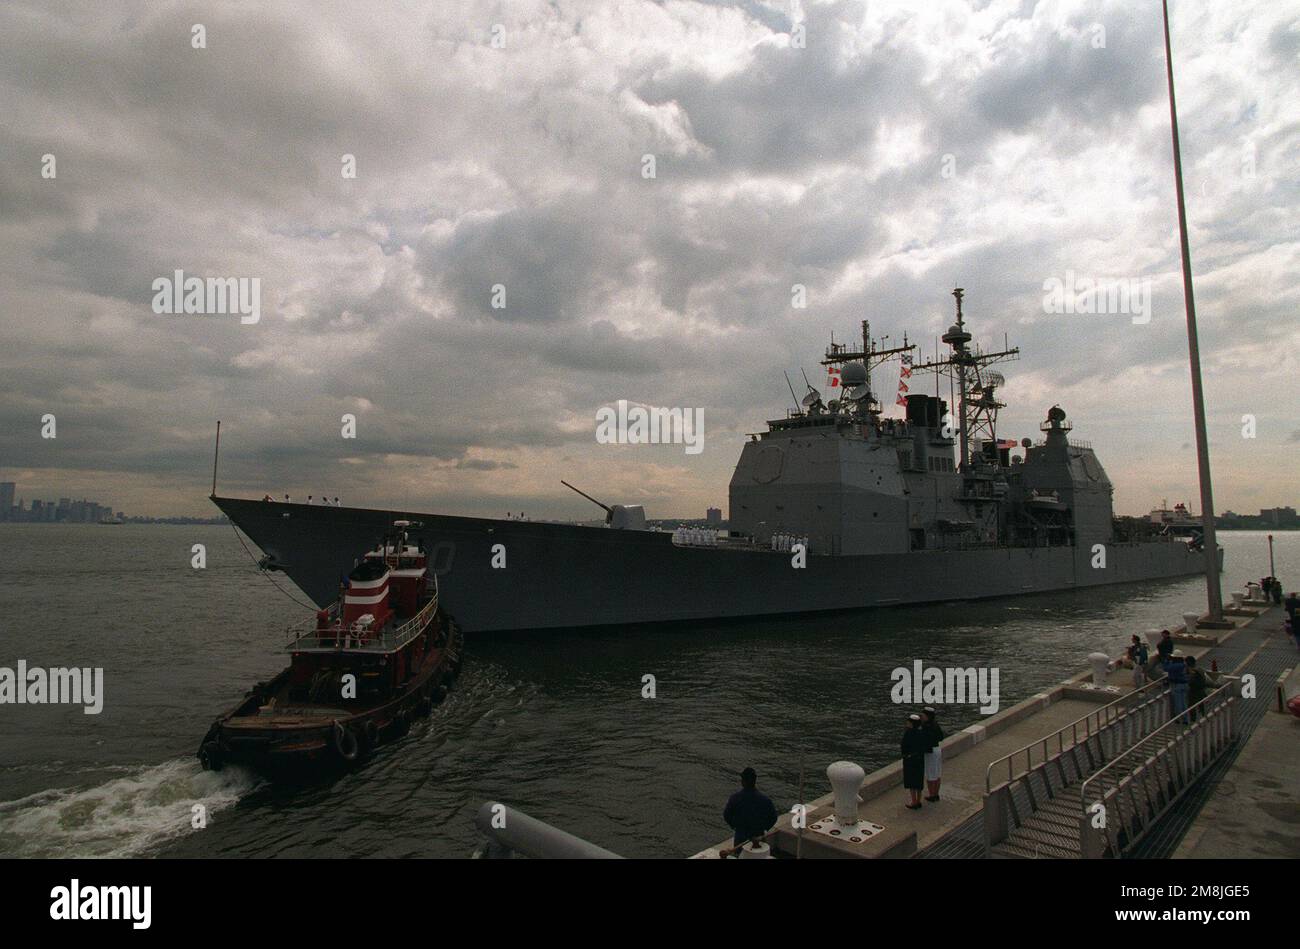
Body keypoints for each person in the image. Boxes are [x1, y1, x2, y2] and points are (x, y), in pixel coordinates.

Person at [723, 767, 778, 847]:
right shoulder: (765, 800)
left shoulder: (735, 798)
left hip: (741, 837)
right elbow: (773, 818)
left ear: (743, 781)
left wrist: (735, 826)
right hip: (758, 837)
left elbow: (726, 815)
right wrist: (764, 828)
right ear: (754, 781)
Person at [901, 714, 927, 810]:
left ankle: (913, 801)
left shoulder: (908, 733)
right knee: (918, 781)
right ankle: (918, 800)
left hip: (910, 760)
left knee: (911, 781)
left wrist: (906, 755)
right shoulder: (921, 732)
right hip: (919, 759)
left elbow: (904, 746)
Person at [921, 706, 944, 802]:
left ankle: (932, 795)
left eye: (923, 715)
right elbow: (941, 737)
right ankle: (936, 794)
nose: (922, 717)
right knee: (937, 773)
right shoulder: (935, 724)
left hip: (930, 752)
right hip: (937, 749)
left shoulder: (926, 727)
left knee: (930, 775)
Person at [1163, 653, 1188, 722]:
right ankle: (1185, 718)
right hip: (1184, 685)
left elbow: (1166, 668)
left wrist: (1167, 660)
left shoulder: (1176, 665)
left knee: (1178, 703)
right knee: (1183, 703)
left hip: (1177, 685)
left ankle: (1179, 719)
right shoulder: (1183, 664)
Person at [1186, 655, 1209, 722]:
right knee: (1201, 706)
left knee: (1192, 706)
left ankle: (1193, 720)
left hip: (1194, 691)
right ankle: (1203, 717)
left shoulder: (1193, 672)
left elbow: (1190, 681)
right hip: (1201, 691)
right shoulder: (1200, 669)